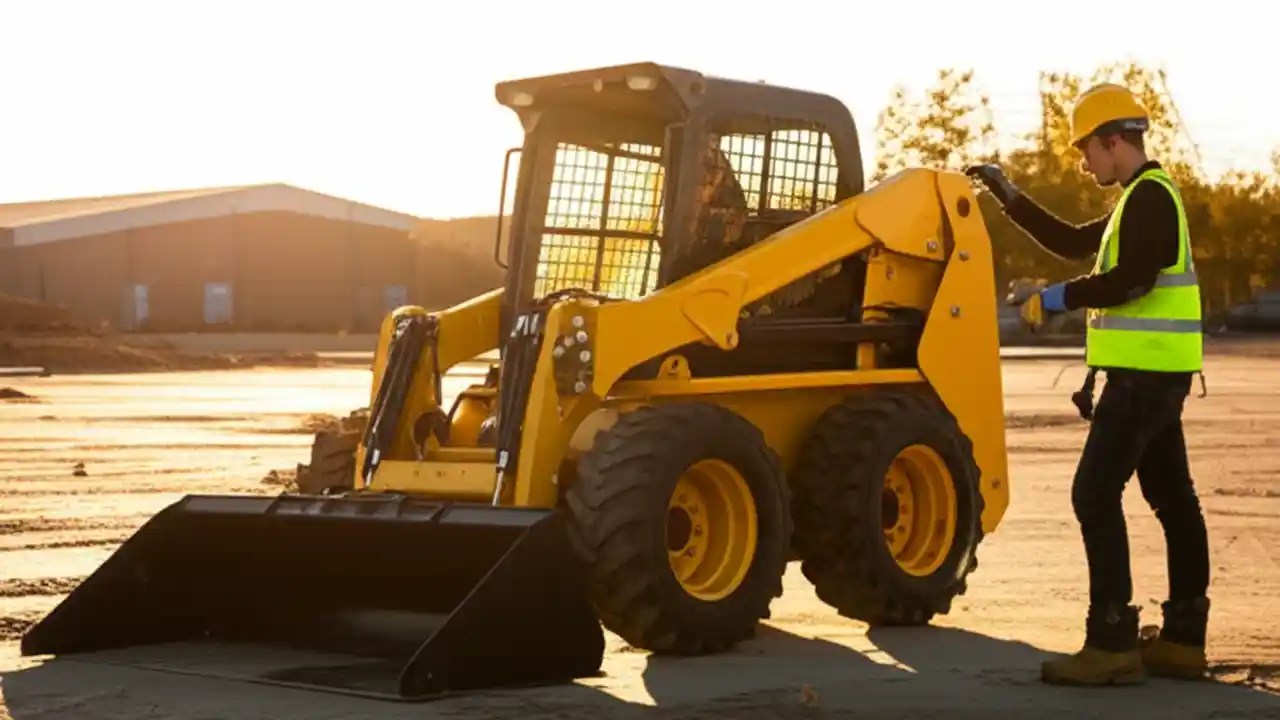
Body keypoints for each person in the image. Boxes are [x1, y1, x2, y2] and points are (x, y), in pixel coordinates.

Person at [966, 83, 1212, 686]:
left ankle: (1111, 642)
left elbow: (1130, 281)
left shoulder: (1151, 199)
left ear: (1114, 141)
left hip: (1143, 379)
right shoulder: (1138, 201)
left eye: (1087, 151)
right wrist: (1010, 196)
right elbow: (1076, 243)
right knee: (1172, 501)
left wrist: (1056, 299)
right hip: (1152, 374)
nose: (1083, 162)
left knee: (1094, 495)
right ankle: (1182, 640)